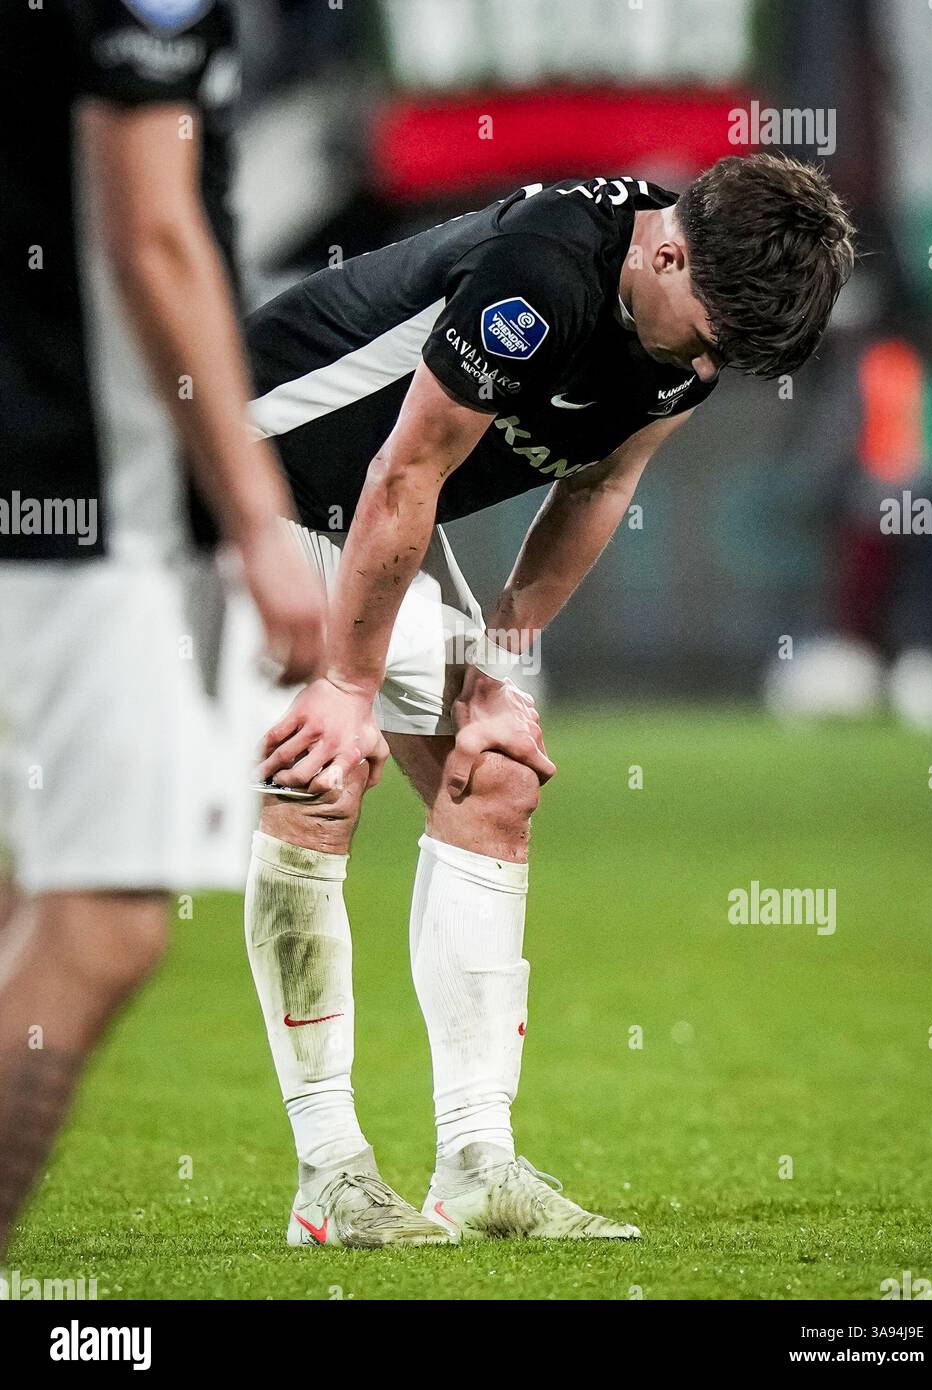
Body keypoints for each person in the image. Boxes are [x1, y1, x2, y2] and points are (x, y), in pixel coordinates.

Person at [244, 156, 855, 1246]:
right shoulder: (540, 275)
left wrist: (498, 657)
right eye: (707, 336)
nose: (705, 367)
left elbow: (598, 483)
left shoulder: (694, 330)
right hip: (251, 481)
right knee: (322, 767)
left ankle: (476, 1164)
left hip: (375, 516)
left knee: (497, 773)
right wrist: (344, 687)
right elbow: (403, 476)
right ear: (665, 250)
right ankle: (326, 1171)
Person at [0, 0, 326, 1258]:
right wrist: (256, 518)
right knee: (108, 917)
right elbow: (152, 234)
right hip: (76, 505)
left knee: (31, 890)